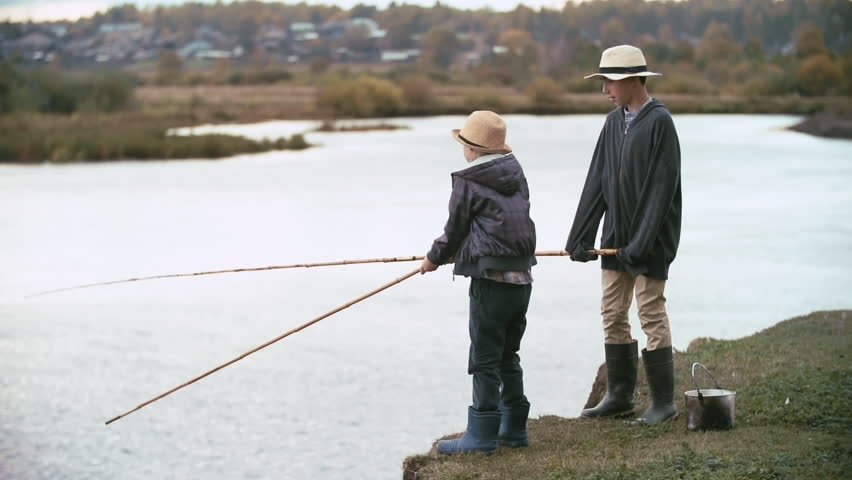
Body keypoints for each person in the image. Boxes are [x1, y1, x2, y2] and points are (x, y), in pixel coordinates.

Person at [566, 45, 682, 425]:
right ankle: (618, 397)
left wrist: (642, 243)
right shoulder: (613, 121)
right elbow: (597, 179)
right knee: (612, 313)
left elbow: (661, 192)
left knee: (650, 312)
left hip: (651, 241)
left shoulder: (660, 122)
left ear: (635, 79)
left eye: (610, 82)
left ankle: (663, 403)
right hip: (615, 237)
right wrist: (580, 236)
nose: (605, 90)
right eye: (603, 82)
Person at [420, 110, 537, 454]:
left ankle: (482, 436)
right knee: (507, 354)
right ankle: (513, 429)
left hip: (491, 281)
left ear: (472, 148)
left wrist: (433, 258)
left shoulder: (468, 180)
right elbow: (497, 224)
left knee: (483, 356)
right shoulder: (515, 172)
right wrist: (469, 250)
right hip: (522, 278)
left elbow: (454, 229)